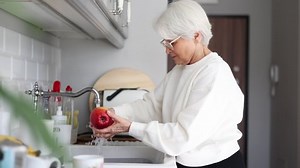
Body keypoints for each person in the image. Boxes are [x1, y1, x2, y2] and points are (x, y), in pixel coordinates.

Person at [91, 0, 246, 167]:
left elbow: (182, 136)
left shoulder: (214, 74)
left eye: (171, 42)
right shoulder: (178, 72)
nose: (166, 49)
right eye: (164, 42)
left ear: (196, 36)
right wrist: (113, 113)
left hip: (216, 164)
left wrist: (130, 127)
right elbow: (151, 106)